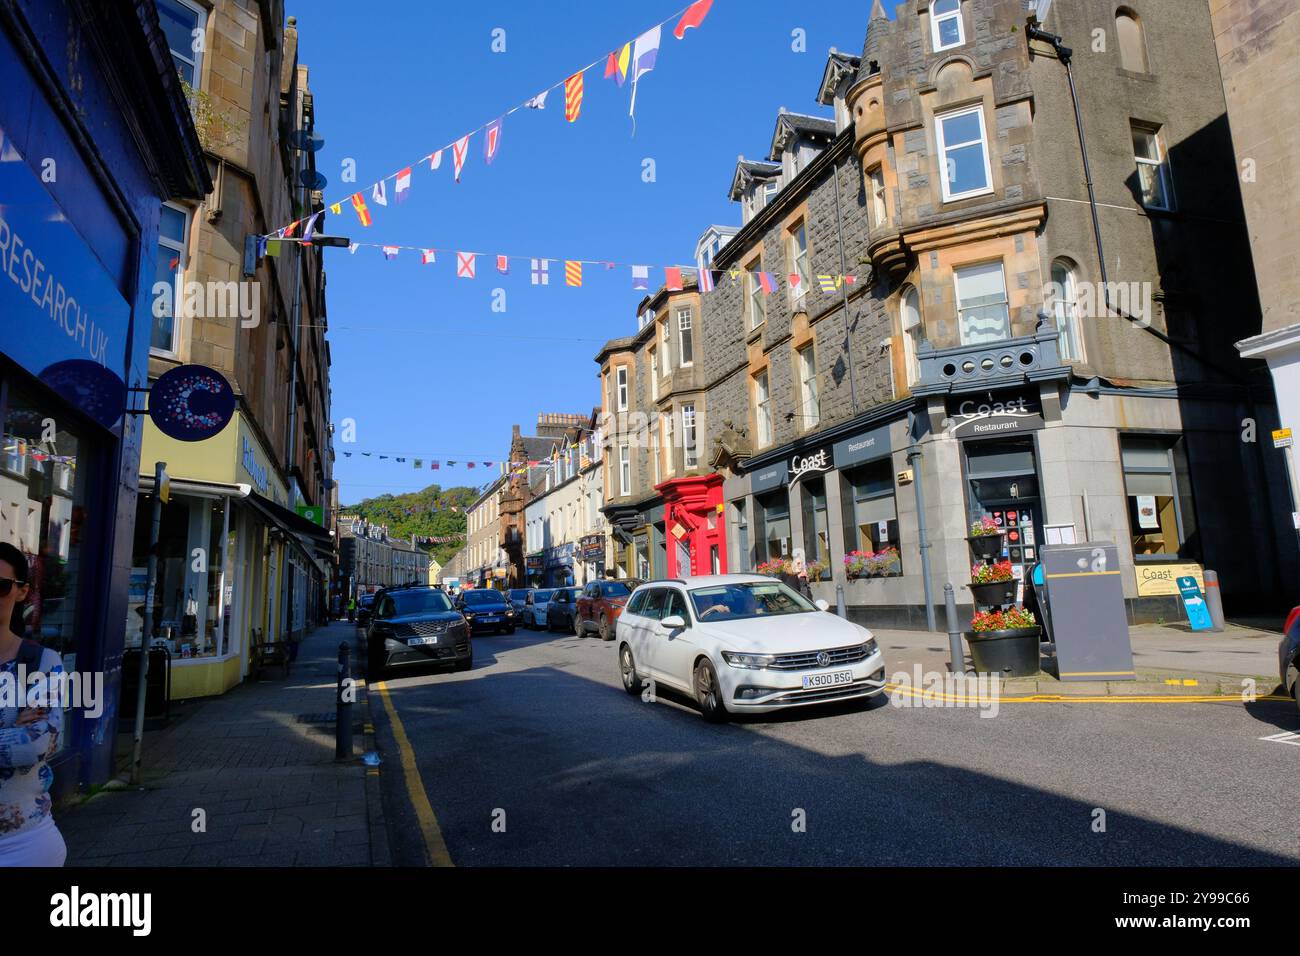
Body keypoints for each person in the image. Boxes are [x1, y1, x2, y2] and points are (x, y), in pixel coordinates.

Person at [0, 541, 66, 867]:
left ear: (22, 592)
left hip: (23, 846)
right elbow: (22, 743)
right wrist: (12, 730)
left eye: (1, 586)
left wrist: (25, 738)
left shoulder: (39, 662)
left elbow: (42, 741)